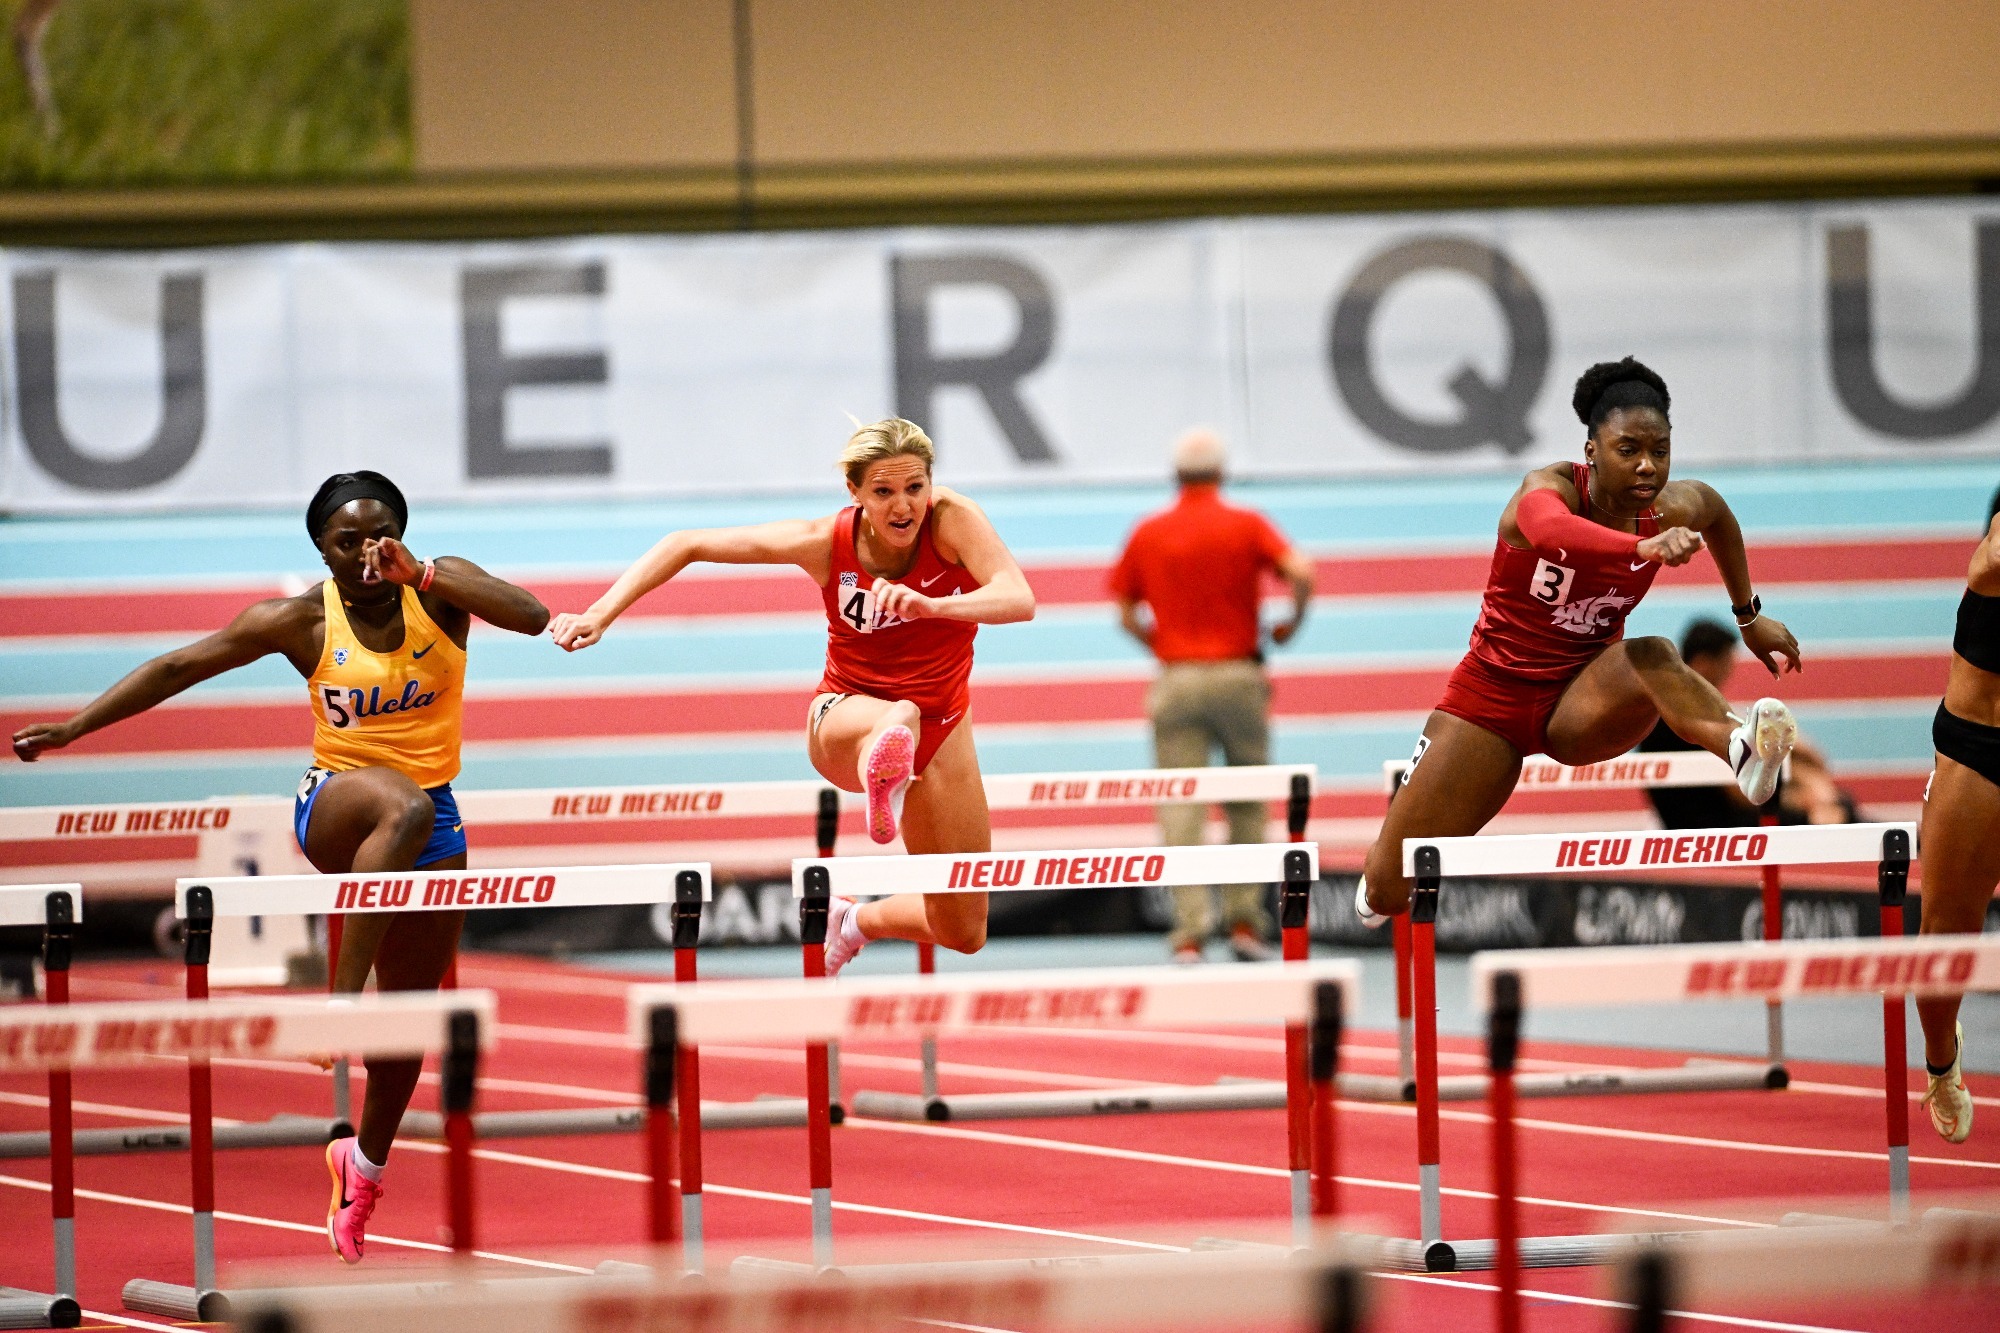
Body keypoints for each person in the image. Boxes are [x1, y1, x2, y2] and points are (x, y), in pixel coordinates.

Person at [11, 471, 550, 1264]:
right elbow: (179, 666)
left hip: (435, 819)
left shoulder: (439, 594)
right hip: (336, 805)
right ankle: (335, 1004)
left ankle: (359, 1168)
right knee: (398, 806)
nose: (367, 555)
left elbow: (534, 617)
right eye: (347, 542)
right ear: (321, 551)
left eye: (380, 536)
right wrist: (75, 727)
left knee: (408, 1025)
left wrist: (422, 572)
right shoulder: (301, 621)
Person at [549, 418, 1034, 975]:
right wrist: (598, 614)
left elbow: (1017, 597)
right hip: (843, 716)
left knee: (964, 928)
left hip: (943, 723)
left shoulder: (953, 521)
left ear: (931, 483)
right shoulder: (823, 543)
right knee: (896, 715)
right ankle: (888, 739)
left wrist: (934, 607)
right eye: (883, 492)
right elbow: (687, 544)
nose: (903, 507)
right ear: (854, 492)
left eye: (914, 488)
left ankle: (852, 921)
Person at [1357, 357, 1803, 925]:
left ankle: (1741, 749)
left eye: (1660, 451)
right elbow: (1547, 528)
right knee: (1386, 890)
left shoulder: (1669, 508)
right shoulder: (1549, 490)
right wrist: (1638, 550)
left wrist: (1749, 617)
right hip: (1491, 704)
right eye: (1628, 450)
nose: (1647, 467)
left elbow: (1716, 512)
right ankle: (1377, 882)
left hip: (1583, 698)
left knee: (1652, 652)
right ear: (1592, 451)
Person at [1110, 428, 1315, 963]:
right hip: (1238, 676)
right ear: (1220, 474)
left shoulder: (1149, 531)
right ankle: (1245, 924)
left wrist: (1158, 642)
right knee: (1247, 800)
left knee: (1182, 806)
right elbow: (1301, 571)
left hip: (1177, 677)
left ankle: (1190, 934)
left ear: (1175, 476)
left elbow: (1126, 611)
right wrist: (1292, 620)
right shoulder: (1246, 525)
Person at [1913, 487, 2000, 1145]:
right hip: (1979, 750)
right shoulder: (1992, 554)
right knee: (1946, 934)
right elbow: (1988, 564)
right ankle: (1942, 1060)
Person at [1638, 618, 1859, 828]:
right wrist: (1808, 806)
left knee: (1835, 803)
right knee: (1840, 810)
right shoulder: (1691, 717)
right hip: (1716, 825)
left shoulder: (1684, 710)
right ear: (1703, 664)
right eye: (1725, 666)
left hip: (1722, 813)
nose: (1729, 674)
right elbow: (1743, 792)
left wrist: (1808, 777)